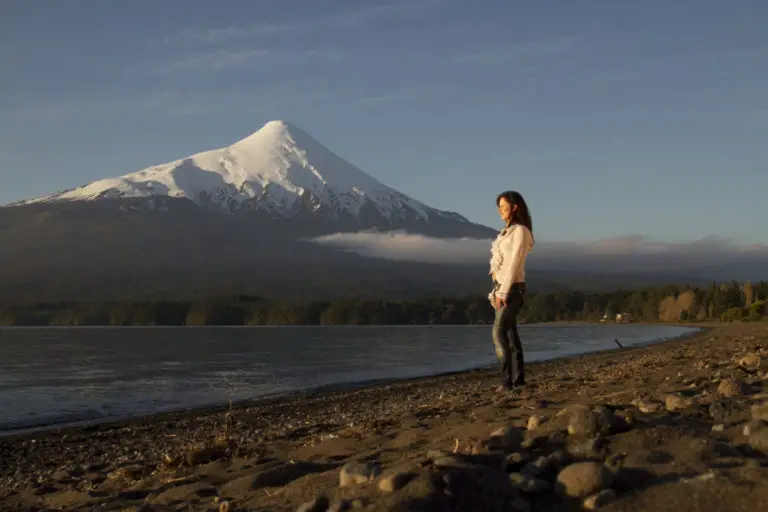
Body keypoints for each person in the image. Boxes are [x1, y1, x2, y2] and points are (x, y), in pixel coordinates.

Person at [488, 190, 534, 392]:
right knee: (511, 334)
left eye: (503, 206)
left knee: (498, 333)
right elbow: (503, 262)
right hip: (502, 287)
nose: (500, 211)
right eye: (498, 207)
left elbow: (515, 262)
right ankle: (518, 380)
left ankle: (506, 382)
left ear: (515, 207)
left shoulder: (521, 231)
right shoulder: (506, 232)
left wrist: (503, 292)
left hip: (512, 289)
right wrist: (496, 287)